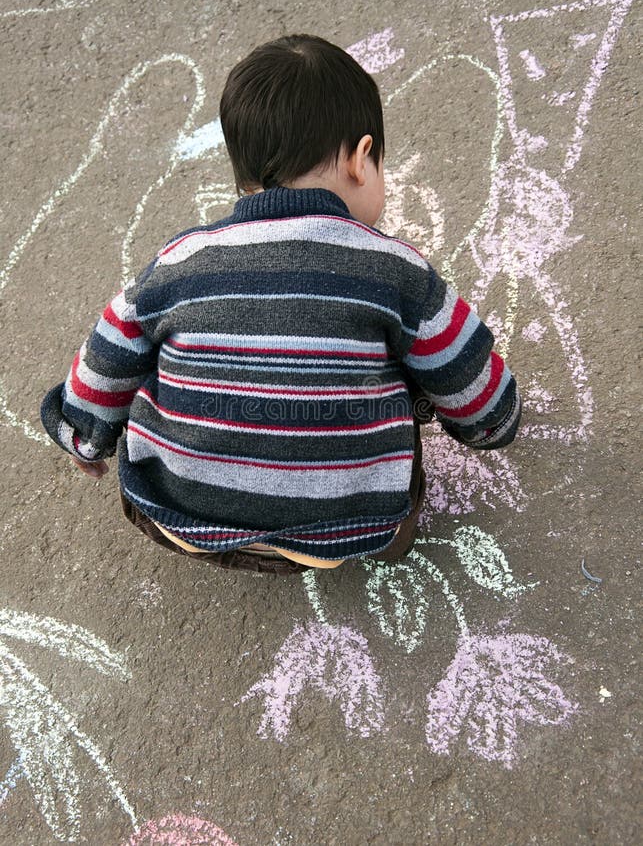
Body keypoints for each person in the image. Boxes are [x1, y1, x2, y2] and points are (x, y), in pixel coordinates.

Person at [40, 34, 521, 575]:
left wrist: (84, 437)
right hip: (351, 532)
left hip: (176, 515)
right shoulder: (396, 269)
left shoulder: (180, 259)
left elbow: (104, 355)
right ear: (363, 159)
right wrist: (493, 425)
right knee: (416, 364)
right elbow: (482, 400)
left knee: (156, 347)